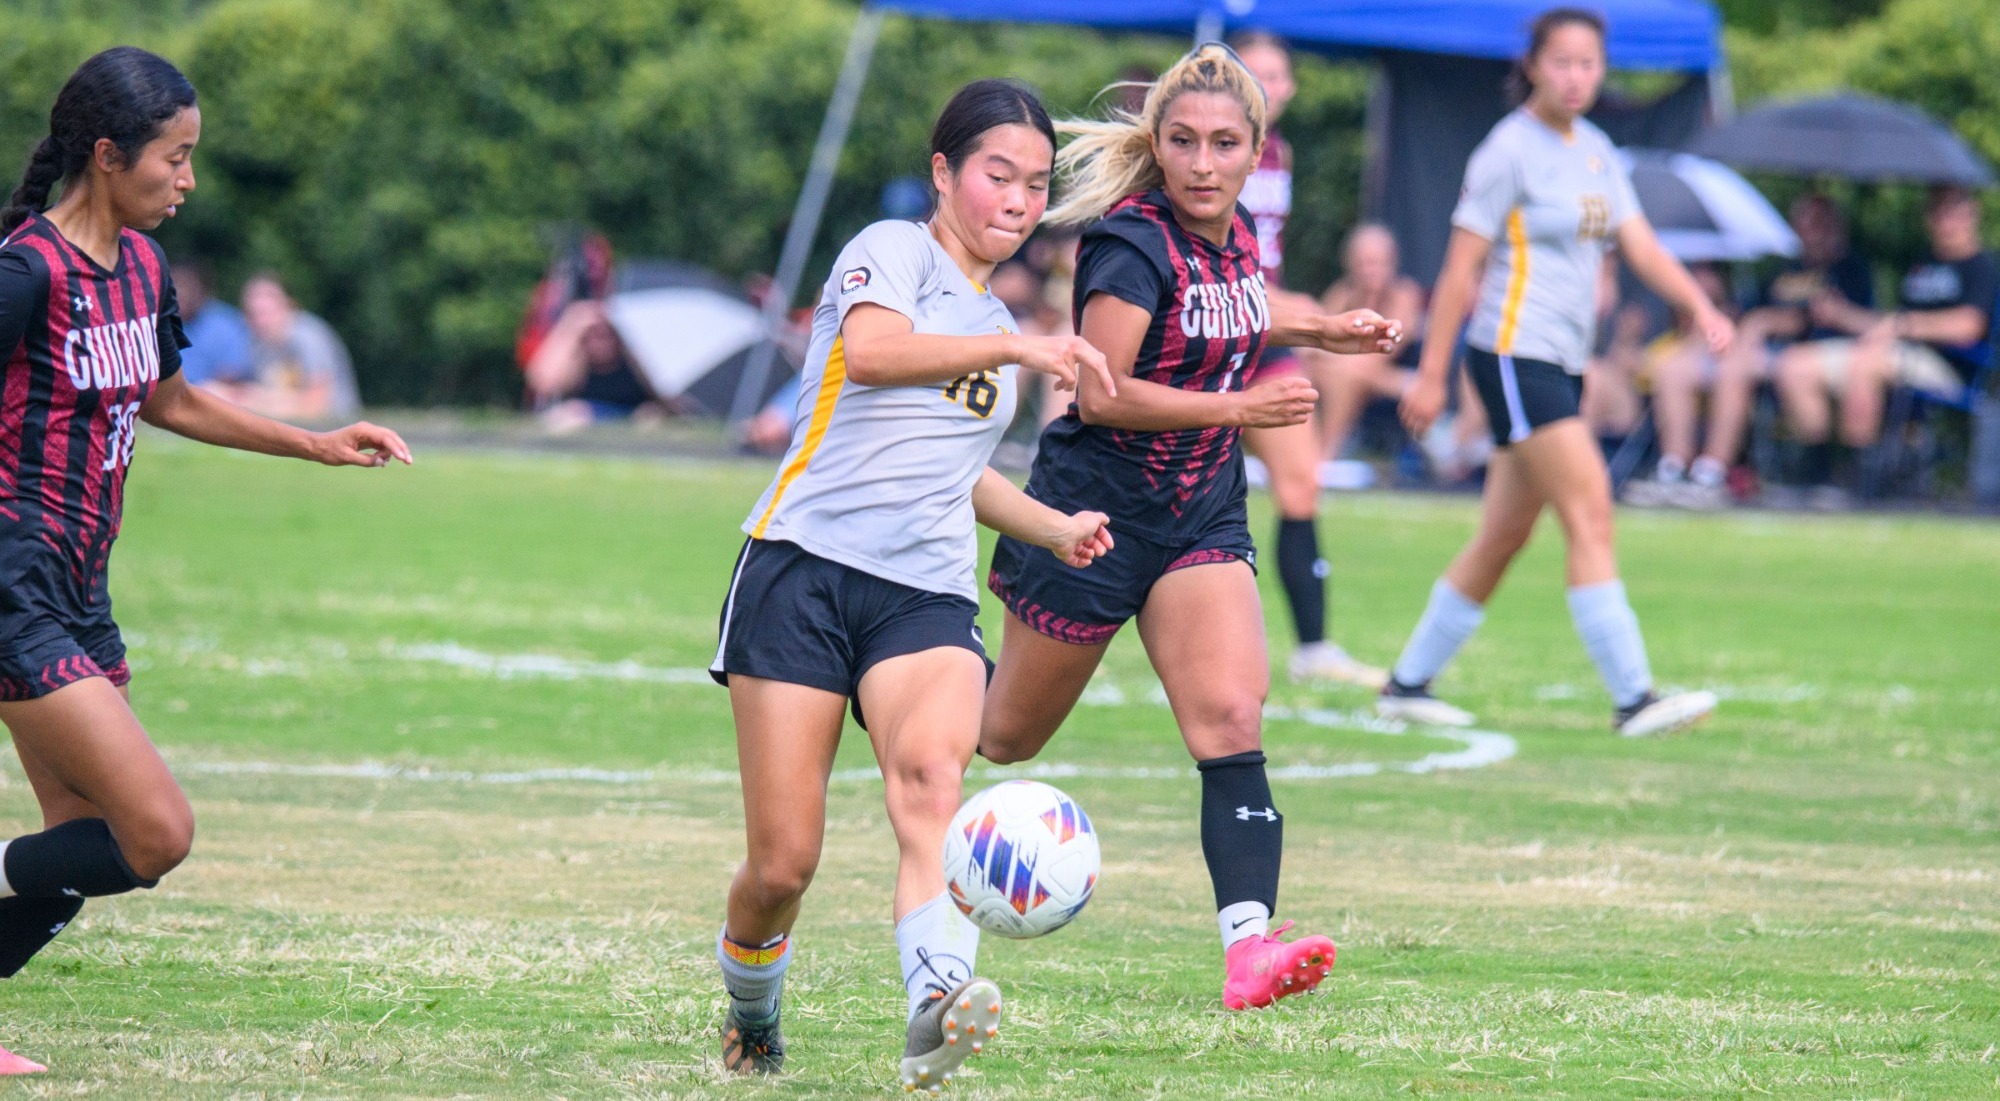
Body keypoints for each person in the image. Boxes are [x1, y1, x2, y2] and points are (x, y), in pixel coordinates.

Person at [0, 47, 410, 1076]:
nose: (187, 180)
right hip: (10, 586)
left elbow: (171, 401)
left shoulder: (140, 269)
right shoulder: (26, 273)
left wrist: (316, 442)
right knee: (155, 833)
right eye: (173, 159)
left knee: (83, 849)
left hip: (81, 591)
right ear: (106, 155)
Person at [705, 80, 1116, 1088]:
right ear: (944, 173)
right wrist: (1018, 340)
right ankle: (750, 1011)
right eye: (996, 176)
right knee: (781, 866)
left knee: (933, 785)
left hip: (923, 595)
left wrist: (1051, 527)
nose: (1017, 201)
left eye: (1033, 185)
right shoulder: (889, 252)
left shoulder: (991, 328)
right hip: (800, 571)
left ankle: (935, 1002)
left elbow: (951, 472)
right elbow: (876, 355)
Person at [978, 44, 1400, 1012]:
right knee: (1003, 738)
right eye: (1182, 142)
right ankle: (892, 664)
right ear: (1157, 146)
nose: (1202, 163)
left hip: (1198, 513)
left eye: (1222, 143)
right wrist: (1235, 414)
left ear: (1256, 150)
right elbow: (1101, 390)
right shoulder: (1128, 244)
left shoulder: (1239, 230)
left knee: (1229, 719)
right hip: (1093, 515)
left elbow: (1238, 311)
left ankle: (1247, 948)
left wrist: (1322, 329)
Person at [1380, 9, 1729, 738]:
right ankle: (1634, 696)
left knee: (1503, 535)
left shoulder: (1597, 149)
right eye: (1563, 62)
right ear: (1533, 65)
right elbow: (1458, 271)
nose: (1577, 77)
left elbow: (1640, 247)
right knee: (1590, 506)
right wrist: (1433, 374)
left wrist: (1699, 303)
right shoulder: (1507, 149)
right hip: (1513, 352)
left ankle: (1407, 682)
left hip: (1560, 362)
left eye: (1590, 64)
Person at [1231, 31, 1386, 687]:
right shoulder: (1208, 149)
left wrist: (1285, 305)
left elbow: (1265, 253)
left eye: (1276, 75)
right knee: (1165, 492)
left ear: (1291, 86)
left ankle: (1315, 646)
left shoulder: (1280, 153)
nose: (1266, 87)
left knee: (1300, 484)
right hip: (1211, 334)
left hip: (1266, 335)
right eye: (1252, 74)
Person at [1638, 195, 1874, 505]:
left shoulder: (1849, 269)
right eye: (1804, 223)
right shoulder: (1783, 269)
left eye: (1818, 223)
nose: (1810, 231)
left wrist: (1764, 323)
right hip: (1751, 350)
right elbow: (1748, 312)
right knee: (1674, 368)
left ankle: (1712, 472)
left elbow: (1824, 319)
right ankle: (1673, 468)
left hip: (1802, 355)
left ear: (1834, 228)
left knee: (1734, 369)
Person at [1774, 185, 1996, 497]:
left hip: (1950, 366)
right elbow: (1888, 323)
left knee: (1866, 362)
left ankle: (1859, 477)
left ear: (1971, 214)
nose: (1946, 220)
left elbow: (1968, 326)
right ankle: (1818, 473)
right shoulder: (1922, 263)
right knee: (1795, 364)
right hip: (1894, 353)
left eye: (1953, 211)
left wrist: (1908, 326)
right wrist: (1843, 315)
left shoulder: (1982, 267)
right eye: (1938, 211)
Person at [1312, 224, 1428, 462]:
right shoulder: (1342, 294)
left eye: (1377, 263)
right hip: (1350, 375)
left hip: (1399, 380)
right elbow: (1313, 344)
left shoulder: (1405, 295)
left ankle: (1325, 454)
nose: (1370, 271)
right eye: (1363, 263)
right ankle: (1311, 451)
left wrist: (1334, 357)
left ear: (1392, 263)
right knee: (1312, 372)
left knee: (1347, 373)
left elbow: (1383, 351)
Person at [522, 297, 664, 431]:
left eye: (608, 333)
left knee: (650, 417)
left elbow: (664, 392)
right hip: (583, 416)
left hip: (630, 416)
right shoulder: (576, 363)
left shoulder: (634, 361)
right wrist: (571, 328)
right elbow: (543, 383)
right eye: (592, 334)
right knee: (569, 415)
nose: (601, 340)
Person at [239, 272, 362, 422]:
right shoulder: (259, 346)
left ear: (288, 305)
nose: (260, 322)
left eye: (265, 313)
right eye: (253, 314)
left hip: (333, 425)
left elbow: (317, 404)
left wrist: (256, 402)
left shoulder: (308, 338)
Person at [169, 259, 254, 390]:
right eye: (175, 286)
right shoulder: (158, 322)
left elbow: (233, 374)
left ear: (203, 290)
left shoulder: (227, 323)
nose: (181, 293)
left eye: (187, 286)